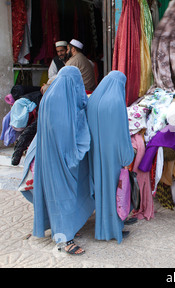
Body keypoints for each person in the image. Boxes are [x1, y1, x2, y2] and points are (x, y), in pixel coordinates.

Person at [32, 66, 95, 255]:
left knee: (53, 194)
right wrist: (76, 155)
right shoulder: (64, 101)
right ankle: (65, 240)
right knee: (64, 196)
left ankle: (57, 229)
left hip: (47, 157)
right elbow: (72, 134)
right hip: (63, 158)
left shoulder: (49, 97)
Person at [86, 70, 135, 244]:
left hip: (95, 154)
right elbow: (121, 134)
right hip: (112, 156)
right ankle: (112, 229)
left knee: (101, 190)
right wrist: (127, 157)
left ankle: (102, 226)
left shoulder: (93, 100)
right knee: (114, 192)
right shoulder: (116, 102)